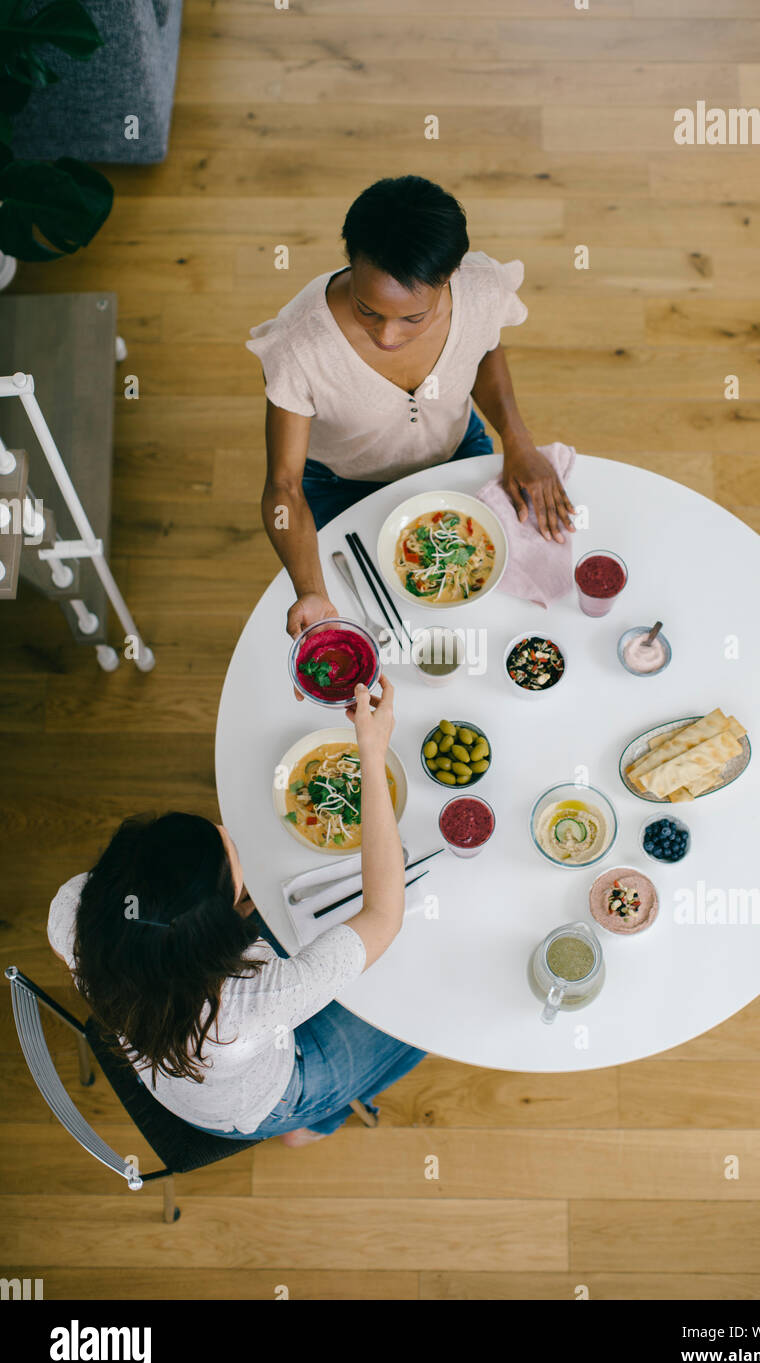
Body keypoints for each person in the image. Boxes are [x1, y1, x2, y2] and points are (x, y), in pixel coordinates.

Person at [47, 676, 423, 1148]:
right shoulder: (247, 1004)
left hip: (178, 1064)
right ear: (218, 927)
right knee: (420, 1021)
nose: (227, 829)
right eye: (231, 855)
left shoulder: (75, 907)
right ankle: (311, 1125)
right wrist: (372, 753)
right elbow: (383, 915)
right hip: (264, 1097)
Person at [248, 174, 576, 644]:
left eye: (412, 318)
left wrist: (517, 439)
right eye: (367, 310)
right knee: (383, 618)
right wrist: (310, 591)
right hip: (341, 485)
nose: (387, 337)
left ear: (451, 276)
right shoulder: (300, 345)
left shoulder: (481, 290)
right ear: (350, 260)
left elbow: (484, 349)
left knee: (492, 607)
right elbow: (283, 485)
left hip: (457, 449)